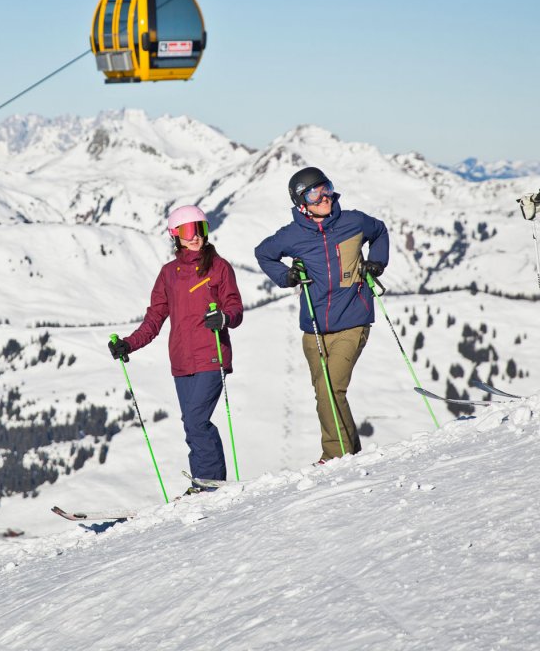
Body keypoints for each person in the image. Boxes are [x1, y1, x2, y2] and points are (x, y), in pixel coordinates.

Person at [254, 167, 389, 463]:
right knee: (326, 394)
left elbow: (379, 230)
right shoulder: (292, 236)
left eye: (326, 187)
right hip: (314, 327)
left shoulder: (353, 221)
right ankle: (350, 453)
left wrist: (376, 263)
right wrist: (287, 276)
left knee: (331, 388)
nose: (325, 196)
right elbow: (263, 253)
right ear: (301, 201)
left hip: (353, 321)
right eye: (315, 192)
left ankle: (334, 455)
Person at [108, 205, 244, 491]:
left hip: (212, 356)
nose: (196, 236)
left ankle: (210, 486)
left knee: (196, 421)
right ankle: (204, 483)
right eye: (189, 231)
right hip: (182, 361)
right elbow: (154, 319)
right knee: (191, 425)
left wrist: (224, 318)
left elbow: (234, 307)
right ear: (175, 235)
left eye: (201, 229)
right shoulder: (168, 274)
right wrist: (128, 344)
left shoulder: (219, 267)